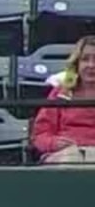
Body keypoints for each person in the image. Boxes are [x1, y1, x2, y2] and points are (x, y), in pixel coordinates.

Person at [31, 36, 95, 164]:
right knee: (71, 160)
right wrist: (53, 143)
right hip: (66, 154)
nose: (91, 65)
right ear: (76, 64)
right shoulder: (61, 92)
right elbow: (40, 135)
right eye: (85, 59)